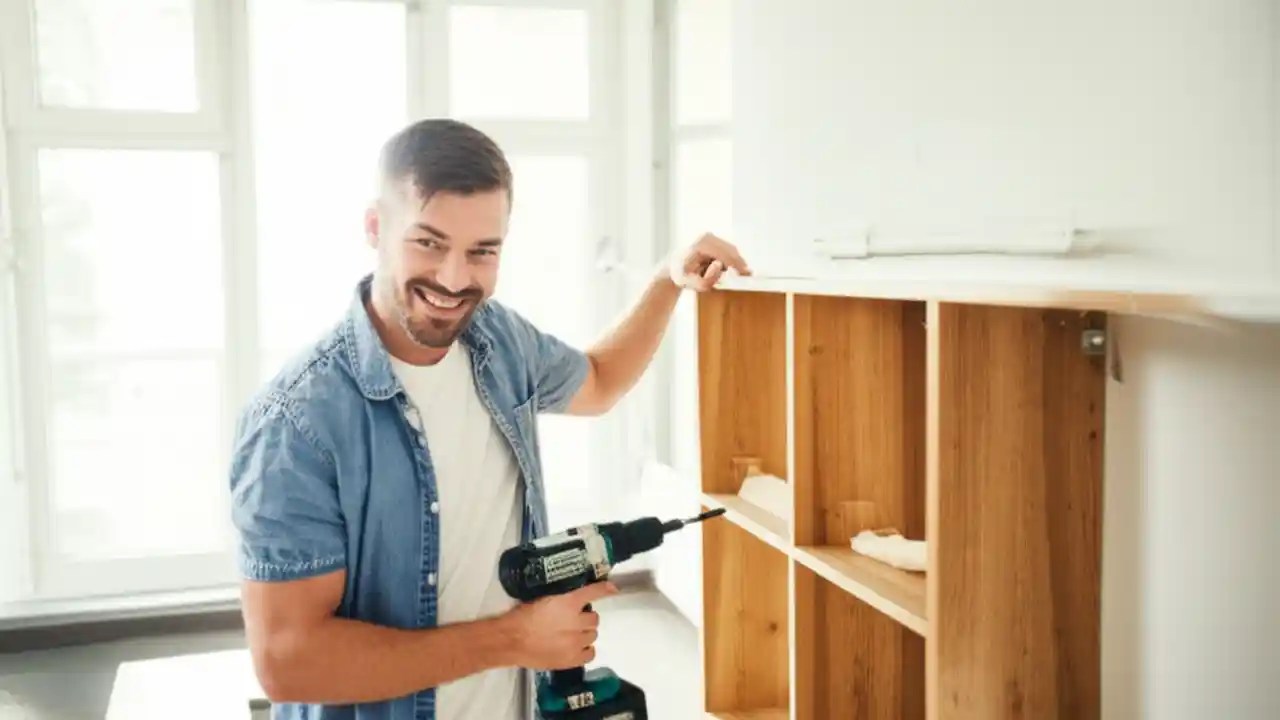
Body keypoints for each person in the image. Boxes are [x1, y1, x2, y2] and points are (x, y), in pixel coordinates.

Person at [227, 118, 750, 720]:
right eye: (428, 243)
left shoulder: (497, 339)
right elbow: (289, 663)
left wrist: (667, 279)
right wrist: (514, 640)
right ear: (376, 227)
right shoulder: (297, 423)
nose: (454, 279)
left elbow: (600, 381)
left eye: (483, 251)